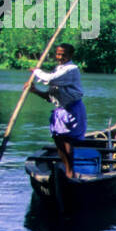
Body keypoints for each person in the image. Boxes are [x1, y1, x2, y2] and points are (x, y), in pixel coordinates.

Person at [28, 43, 86, 178]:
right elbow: (51, 97)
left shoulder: (71, 69)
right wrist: (35, 91)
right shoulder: (58, 69)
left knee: (66, 139)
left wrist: (36, 71)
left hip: (72, 109)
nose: (60, 57)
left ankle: (70, 172)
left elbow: (49, 79)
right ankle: (67, 170)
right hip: (61, 110)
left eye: (63, 55)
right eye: (58, 54)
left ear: (70, 56)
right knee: (58, 139)